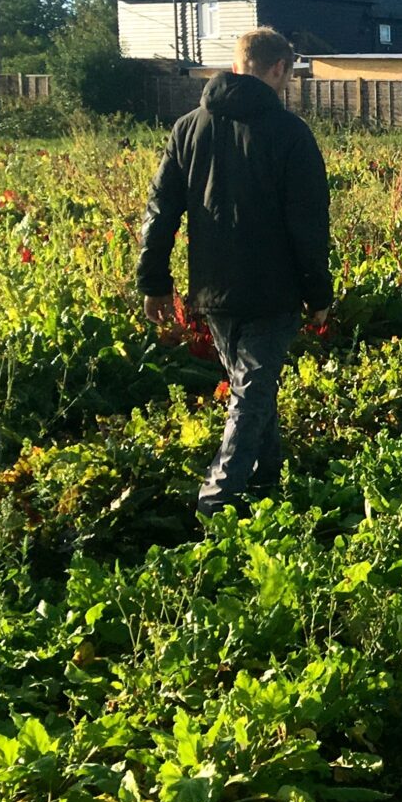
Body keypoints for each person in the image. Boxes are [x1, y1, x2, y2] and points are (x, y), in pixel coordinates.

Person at [136, 27, 333, 514]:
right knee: (250, 398)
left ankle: (268, 493)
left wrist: (155, 281)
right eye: (288, 74)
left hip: (214, 289)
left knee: (254, 393)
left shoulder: (188, 127)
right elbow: (308, 223)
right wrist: (318, 291)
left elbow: (161, 210)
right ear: (278, 69)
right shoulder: (290, 133)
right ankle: (217, 501)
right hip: (273, 289)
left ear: (236, 62)